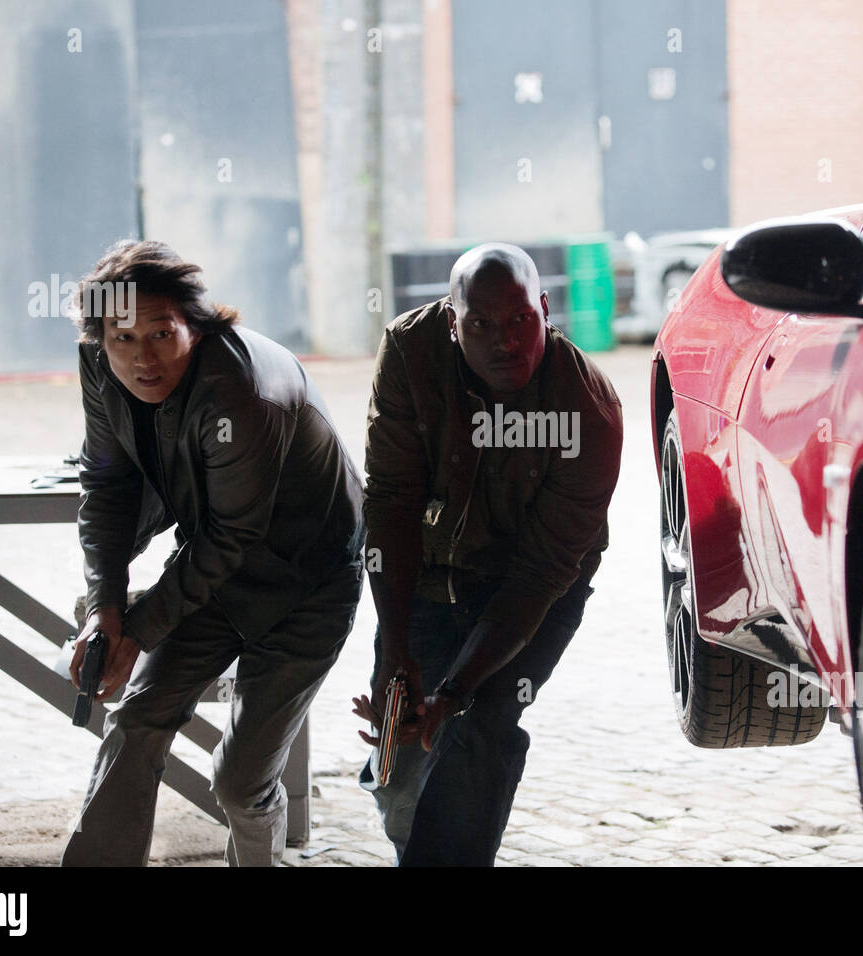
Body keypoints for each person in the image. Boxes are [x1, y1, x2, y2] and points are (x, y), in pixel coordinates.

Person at [62, 239, 364, 866]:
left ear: (194, 328)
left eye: (160, 335)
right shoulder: (99, 366)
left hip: (309, 583)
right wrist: (104, 611)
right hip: (213, 571)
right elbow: (109, 484)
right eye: (121, 339)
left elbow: (232, 534)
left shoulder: (243, 391)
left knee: (239, 780)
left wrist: (138, 630)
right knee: (138, 719)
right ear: (98, 341)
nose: (142, 358)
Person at [352, 242, 623, 866]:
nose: (506, 342)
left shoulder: (588, 411)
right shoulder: (410, 352)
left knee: (478, 726)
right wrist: (395, 651)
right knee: (401, 753)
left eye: (521, 320)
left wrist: (458, 687)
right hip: (422, 569)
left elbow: (539, 574)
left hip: (530, 588)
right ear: (453, 323)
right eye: (481, 325)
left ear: (545, 310)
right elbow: (390, 505)